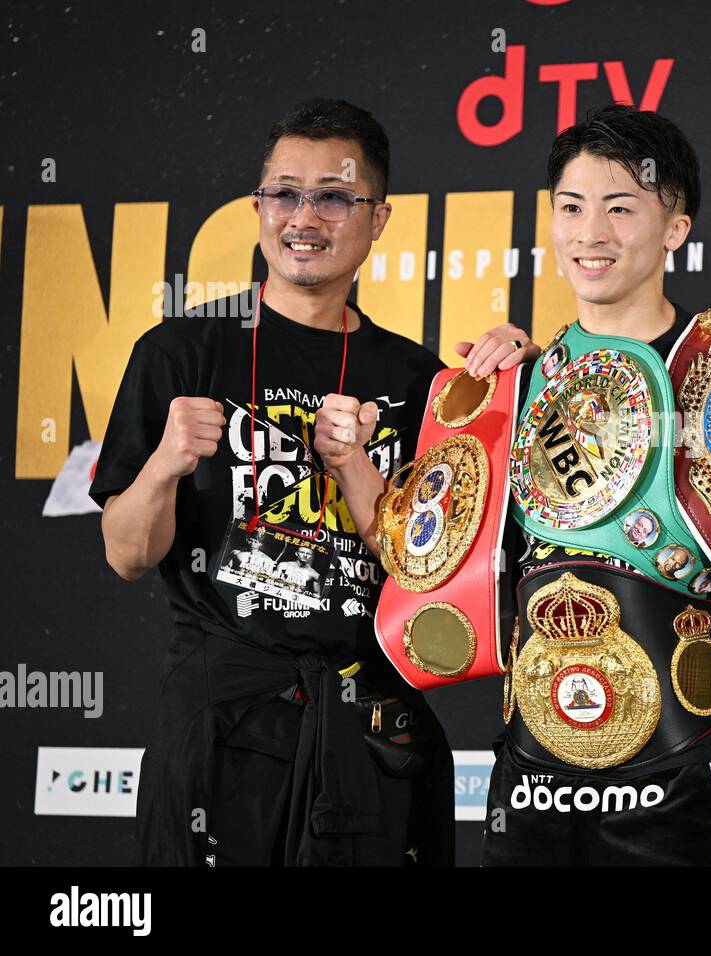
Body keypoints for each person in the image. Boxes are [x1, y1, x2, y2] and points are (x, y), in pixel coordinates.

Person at [93, 97, 496, 866]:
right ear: (257, 208)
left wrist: (357, 468)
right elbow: (125, 554)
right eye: (285, 192)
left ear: (378, 218)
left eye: (335, 196)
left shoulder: (420, 381)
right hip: (221, 728)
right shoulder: (181, 352)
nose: (304, 217)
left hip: (366, 730)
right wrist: (165, 464)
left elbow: (427, 570)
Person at [464, 104, 711, 866]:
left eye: (620, 207)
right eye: (571, 208)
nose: (589, 232)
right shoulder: (513, 381)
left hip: (684, 770)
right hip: (532, 780)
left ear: (675, 227)